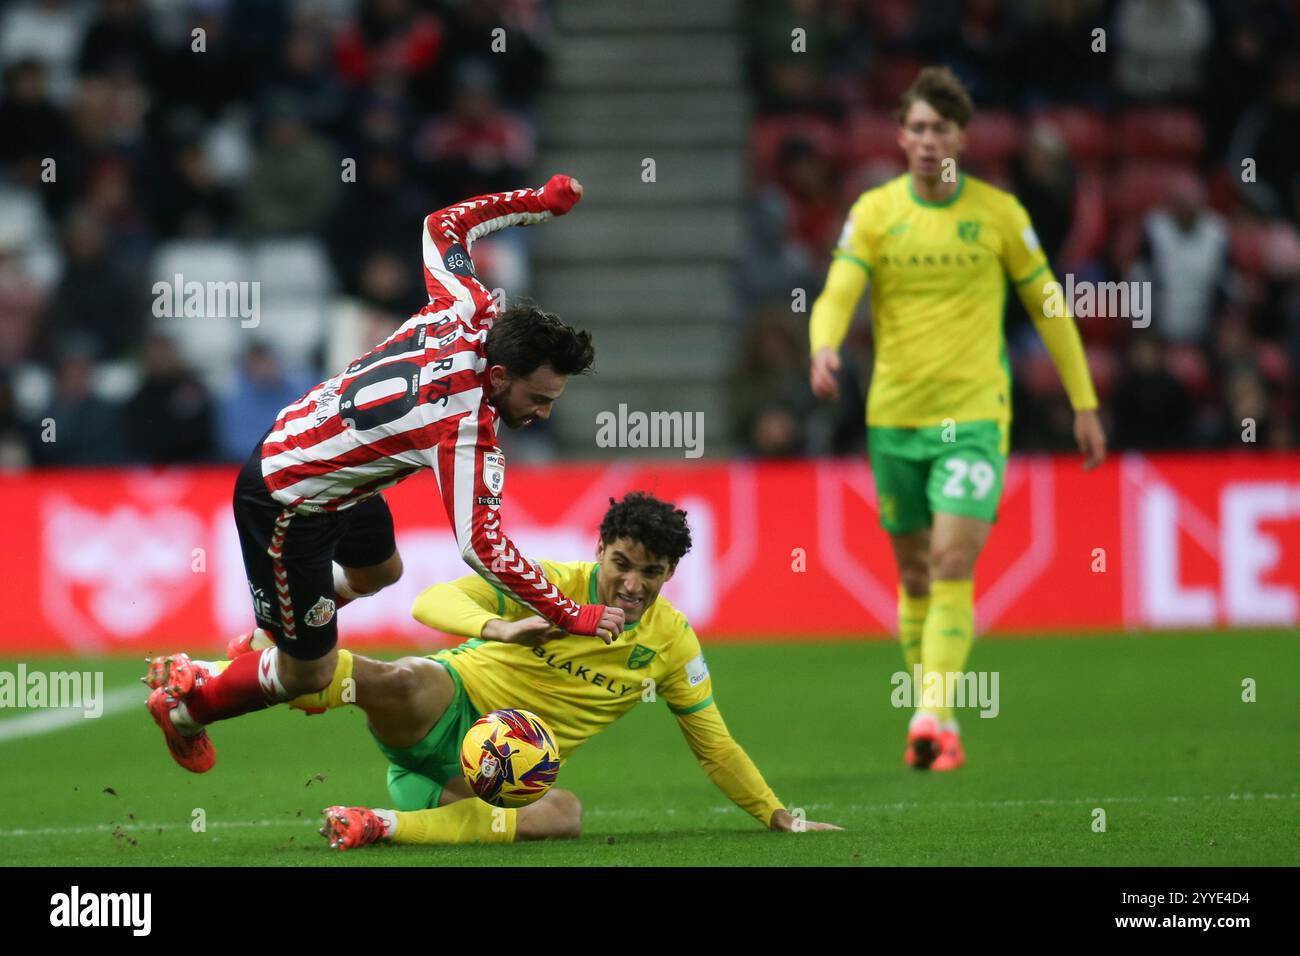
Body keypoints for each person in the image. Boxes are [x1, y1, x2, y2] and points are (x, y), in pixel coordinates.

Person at [145, 175, 625, 773]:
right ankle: (188, 711)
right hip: (289, 499)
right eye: (540, 396)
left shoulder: (470, 306)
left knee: (380, 571)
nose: (545, 412)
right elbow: (483, 547)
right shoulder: (463, 424)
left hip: (331, 468)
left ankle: (274, 632)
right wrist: (571, 614)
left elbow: (442, 225)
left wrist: (538, 205)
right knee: (309, 673)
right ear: (500, 376)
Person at [161, 493, 841, 846]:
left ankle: (379, 825)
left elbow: (712, 741)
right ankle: (212, 679)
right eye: (622, 564)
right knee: (405, 678)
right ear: (600, 548)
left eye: (652, 574)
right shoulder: (547, 582)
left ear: (671, 574)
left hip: (483, 777)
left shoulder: (672, 646)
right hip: (446, 705)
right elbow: (432, 597)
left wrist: (777, 815)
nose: (632, 584)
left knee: (565, 814)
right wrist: (502, 626)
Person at [808, 67, 1105, 771]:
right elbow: (838, 289)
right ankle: (936, 717)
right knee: (914, 576)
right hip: (894, 419)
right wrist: (822, 346)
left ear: (962, 138)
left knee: (950, 561)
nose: (926, 139)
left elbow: (1049, 308)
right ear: (900, 135)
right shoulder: (876, 211)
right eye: (915, 127)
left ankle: (933, 714)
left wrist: (1083, 402)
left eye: (940, 128)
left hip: (973, 416)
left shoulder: (1000, 214)